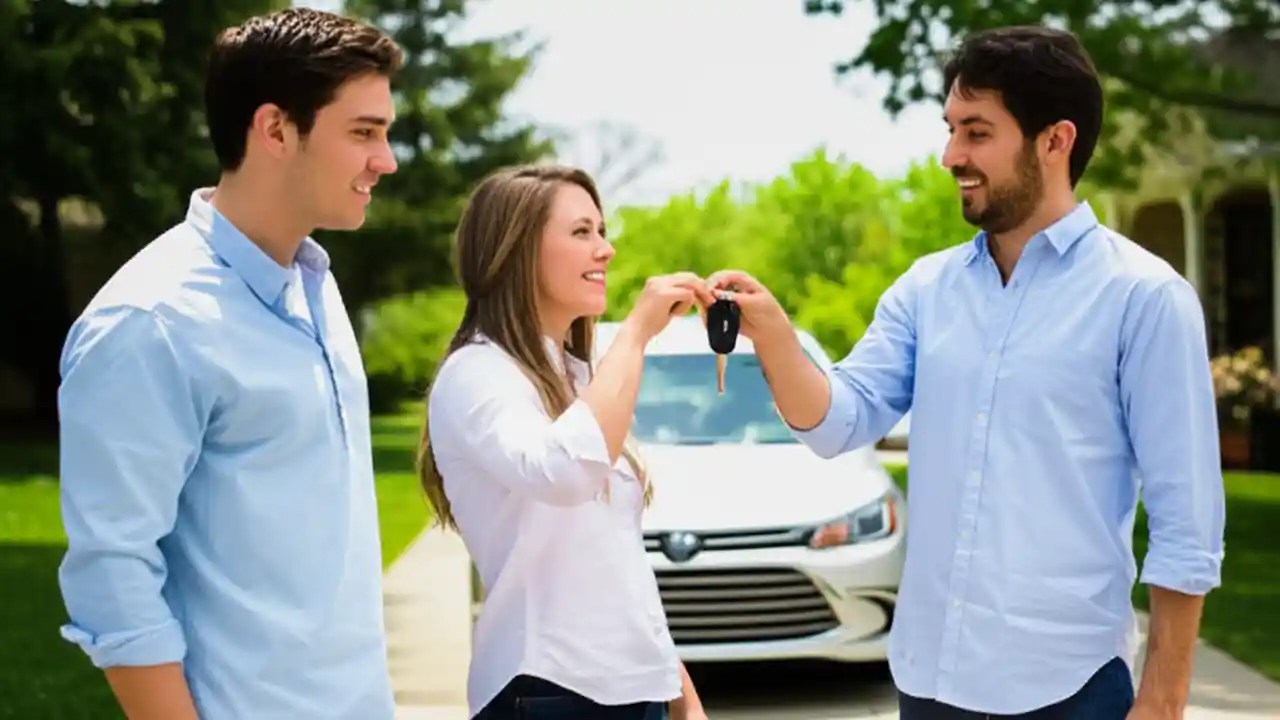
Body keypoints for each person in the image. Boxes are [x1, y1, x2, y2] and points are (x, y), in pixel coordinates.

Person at [701, 25, 1225, 719]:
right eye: (950, 129)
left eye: (976, 132)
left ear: (1055, 140)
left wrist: (1161, 702)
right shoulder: (927, 288)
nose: (951, 155)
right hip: (931, 684)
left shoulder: (1144, 298)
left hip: (1068, 689)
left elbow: (1187, 522)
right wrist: (774, 333)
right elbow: (837, 421)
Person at [55, 8, 403, 719]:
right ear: (275, 129)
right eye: (363, 132)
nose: (387, 160)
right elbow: (111, 575)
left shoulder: (316, 286)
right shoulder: (150, 321)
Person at [418, 165, 710, 720]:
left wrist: (683, 697)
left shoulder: (577, 376)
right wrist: (636, 334)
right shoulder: (476, 373)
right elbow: (564, 473)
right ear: (517, 250)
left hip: (635, 690)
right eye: (582, 232)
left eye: (601, 231)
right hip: (548, 691)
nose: (607, 250)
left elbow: (613, 560)